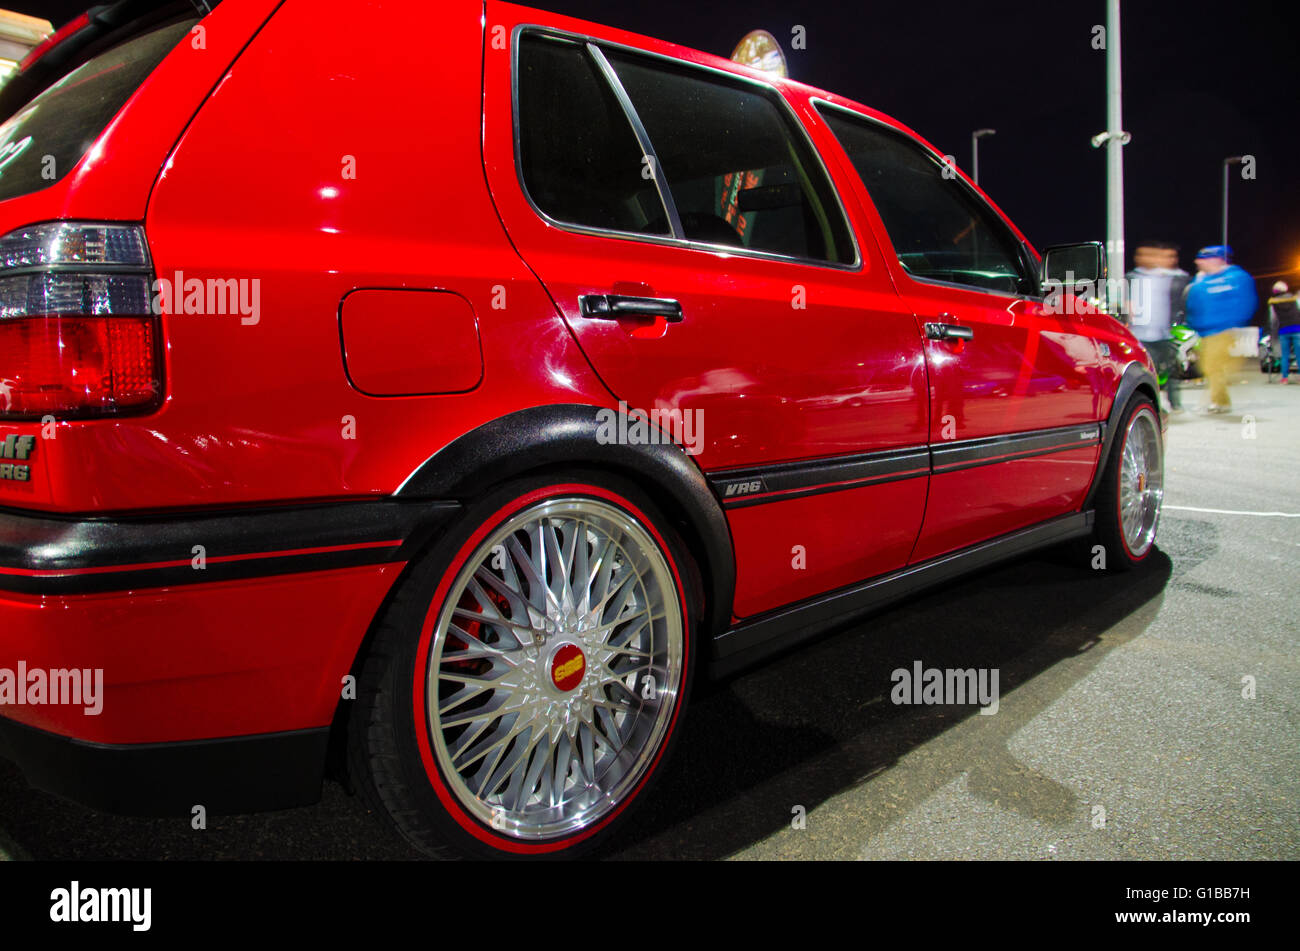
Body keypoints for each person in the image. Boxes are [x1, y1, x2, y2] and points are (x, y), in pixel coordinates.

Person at [1184, 245, 1257, 413]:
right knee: (1210, 367)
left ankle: (1220, 401)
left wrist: (1235, 323)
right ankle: (1220, 399)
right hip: (1206, 332)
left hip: (1225, 330)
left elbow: (1246, 302)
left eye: (1202, 259)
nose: (1197, 262)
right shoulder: (1202, 280)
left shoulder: (1236, 277)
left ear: (1216, 259)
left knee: (1212, 366)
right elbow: (1193, 303)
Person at [1126, 240, 1191, 411]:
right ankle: (1155, 404)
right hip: (1141, 334)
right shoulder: (1132, 278)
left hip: (1165, 332)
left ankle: (1175, 403)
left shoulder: (1172, 277)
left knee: (1173, 369)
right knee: (1148, 371)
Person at [1267, 281, 1300, 383]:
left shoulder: (1273, 302)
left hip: (1283, 330)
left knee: (1284, 355)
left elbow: (1273, 319)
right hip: (1297, 329)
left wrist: (1273, 331)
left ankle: (1284, 378)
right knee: (1299, 354)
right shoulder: (1295, 299)